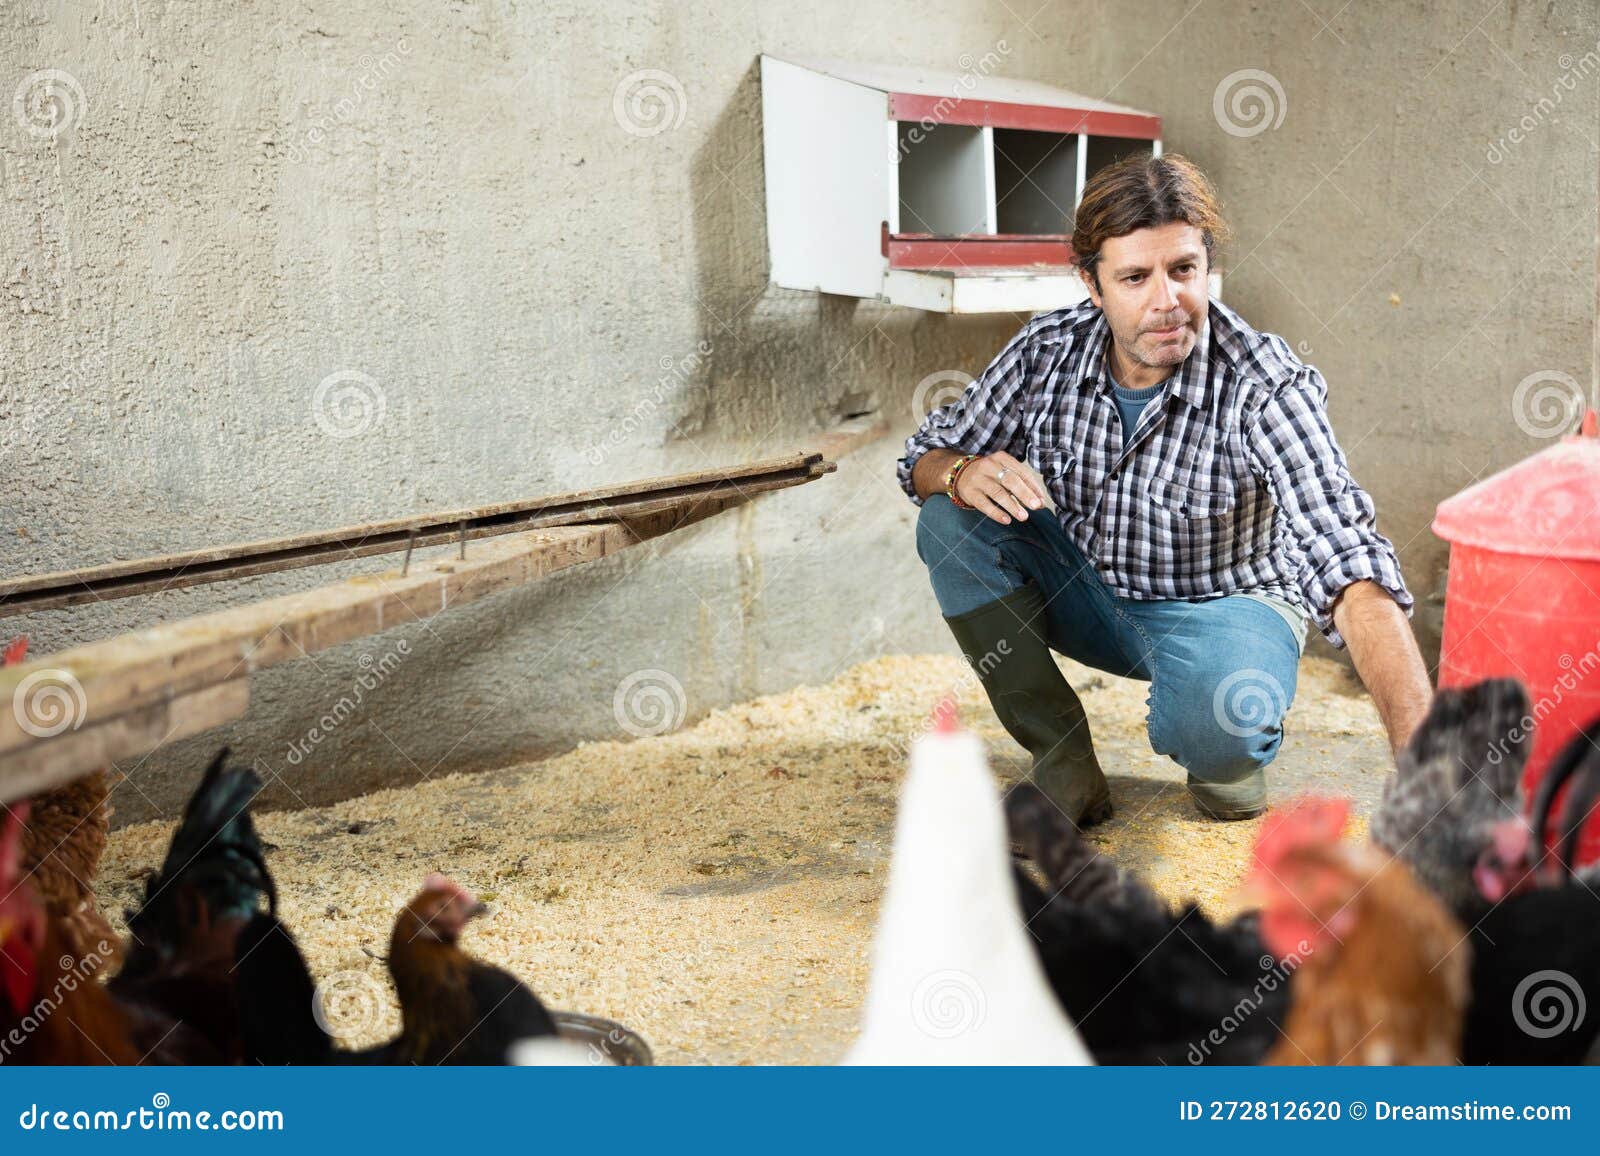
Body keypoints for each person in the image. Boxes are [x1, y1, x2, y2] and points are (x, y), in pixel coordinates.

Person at [898, 153, 1431, 824]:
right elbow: (922, 457)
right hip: (1088, 591)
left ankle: (1221, 755)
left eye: (1184, 270)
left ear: (1208, 268)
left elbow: (1349, 562)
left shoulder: (1263, 385)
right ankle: (1063, 762)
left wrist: (1424, 764)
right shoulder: (1045, 350)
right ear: (1092, 286)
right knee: (950, 523)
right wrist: (958, 472)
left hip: (1224, 609)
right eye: (1134, 277)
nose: (1166, 301)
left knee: (1220, 733)